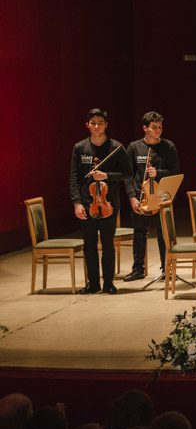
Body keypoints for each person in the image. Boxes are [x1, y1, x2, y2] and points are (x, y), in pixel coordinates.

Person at [70, 108, 133, 295]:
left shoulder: (116, 148)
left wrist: (107, 176)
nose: (97, 126)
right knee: (89, 245)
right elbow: (73, 177)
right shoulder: (80, 148)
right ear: (87, 125)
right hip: (87, 204)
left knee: (107, 244)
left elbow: (128, 173)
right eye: (93, 123)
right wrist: (77, 203)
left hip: (109, 204)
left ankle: (108, 283)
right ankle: (93, 283)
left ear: (106, 125)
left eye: (100, 123)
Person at [123, 111, 179, 282]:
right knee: (139, 233)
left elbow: (175, 171)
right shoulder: (134, 147)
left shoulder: (168, 146)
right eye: (154, 127)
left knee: (164, 234)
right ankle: (138, 269)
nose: (158, 130)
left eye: (160, 127)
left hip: (162, 197)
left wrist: (158, 172)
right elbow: (128, 174)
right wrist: (132, 196)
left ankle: (166, 269)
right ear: (145, 128)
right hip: (142, 197)